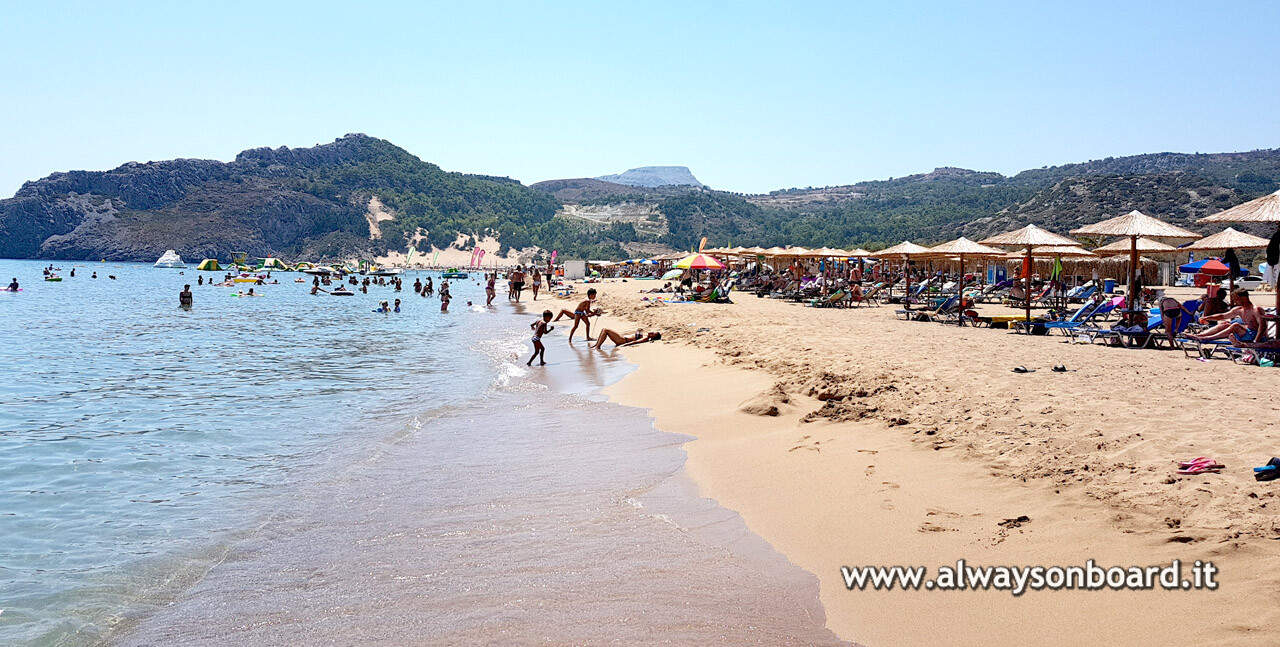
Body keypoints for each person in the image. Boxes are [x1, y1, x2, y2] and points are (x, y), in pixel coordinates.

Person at [1187, 290, 1266, 342]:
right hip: (1245, 335)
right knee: (1224, 324)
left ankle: (1207, 338)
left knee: (1235, 325)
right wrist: (1206, 317)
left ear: (1242, 298)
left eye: (1235, 299)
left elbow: (1262, 327)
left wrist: (1256, 341)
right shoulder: (1239, 309)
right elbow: (1222, 316)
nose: (1234, 301)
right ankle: (1199, 335)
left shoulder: (1256, 310)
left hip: (1254, 336)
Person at [590, 328, 661, 349]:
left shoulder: (645, 338)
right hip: (622, 339)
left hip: (622, 340)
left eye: (652, 334)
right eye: (653, 332)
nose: (651, 332)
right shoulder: (645, 335)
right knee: (603, 329)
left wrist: (624, 345)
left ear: (652, 337)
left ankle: (597, 347)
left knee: (605, 330)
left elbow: (635, 342)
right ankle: (597, 344)